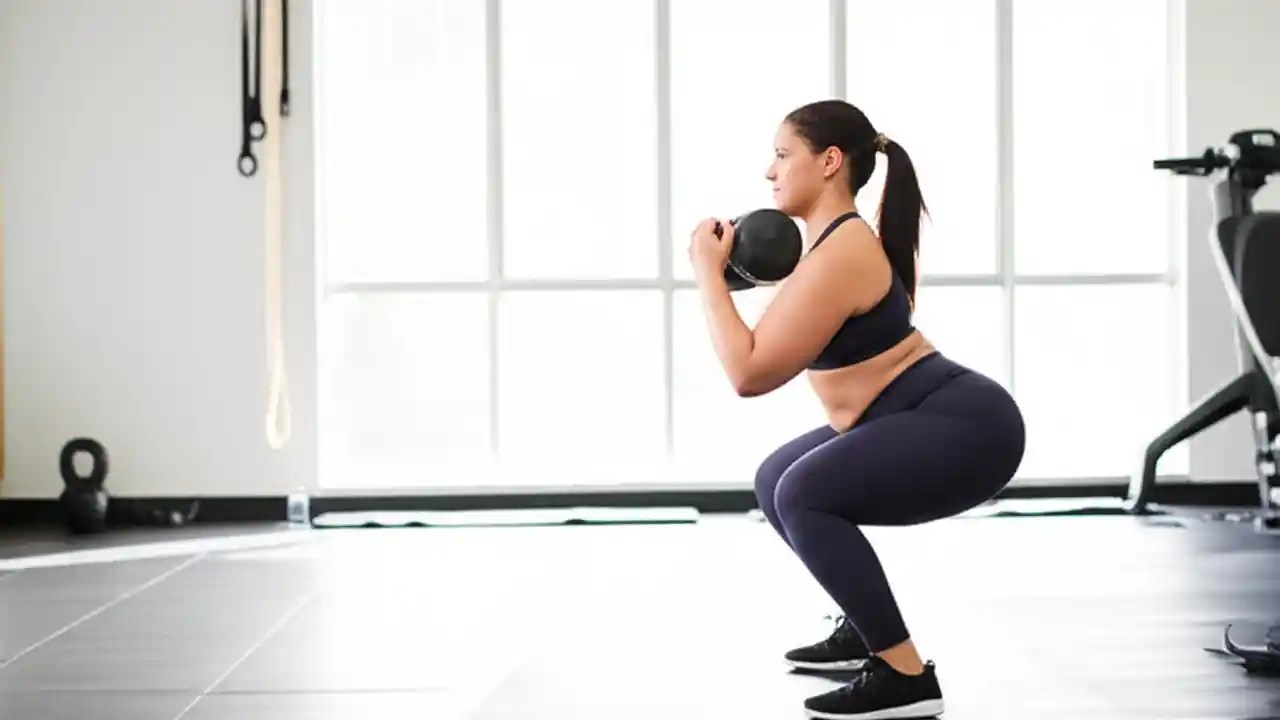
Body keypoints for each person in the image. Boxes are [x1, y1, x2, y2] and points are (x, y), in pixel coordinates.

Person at [687, 98, 1026, 719]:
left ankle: (904, 675)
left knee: (803, 493)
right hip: (905, 411)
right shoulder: (826, 248)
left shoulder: (841, 252)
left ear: (830, 162)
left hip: (967, 425)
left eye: (783, 154)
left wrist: (708, 275)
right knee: (774, 478)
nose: (769, 171)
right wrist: (728, 276)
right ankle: (864, 626)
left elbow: (749, 373)